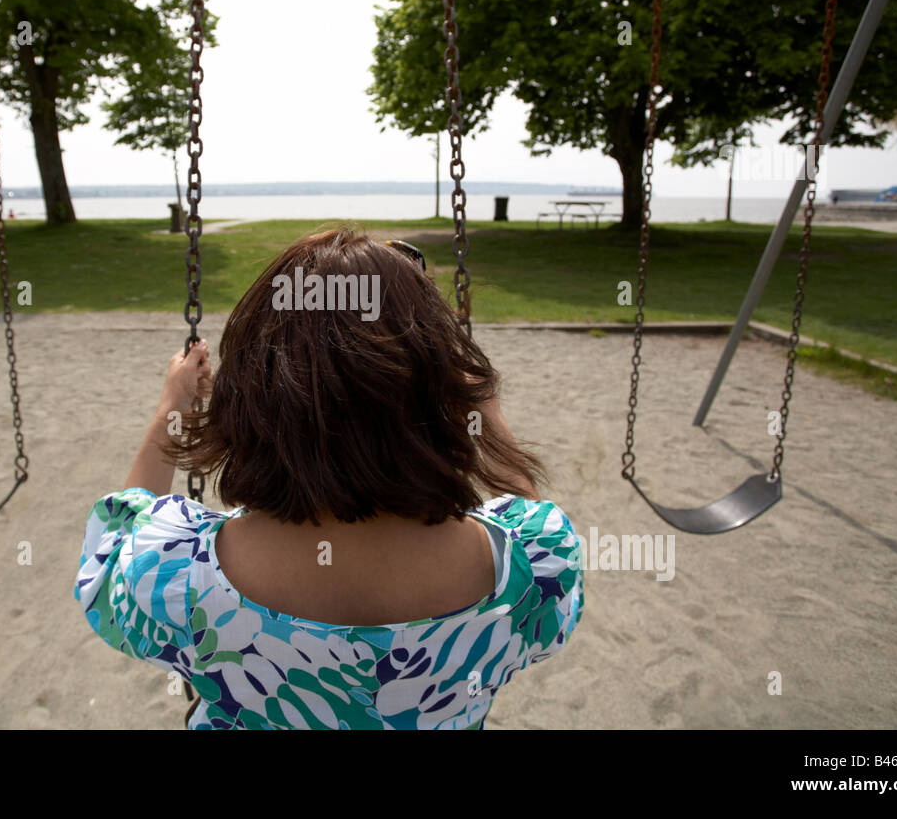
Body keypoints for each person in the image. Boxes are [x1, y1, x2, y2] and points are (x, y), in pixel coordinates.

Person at [75, 228, 583, 729]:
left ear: (249, 399)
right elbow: (532, 517)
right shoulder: (533, 567)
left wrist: (174, 406)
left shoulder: (172, 576)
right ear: (443, 398)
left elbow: (113, 544)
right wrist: (485, 413)